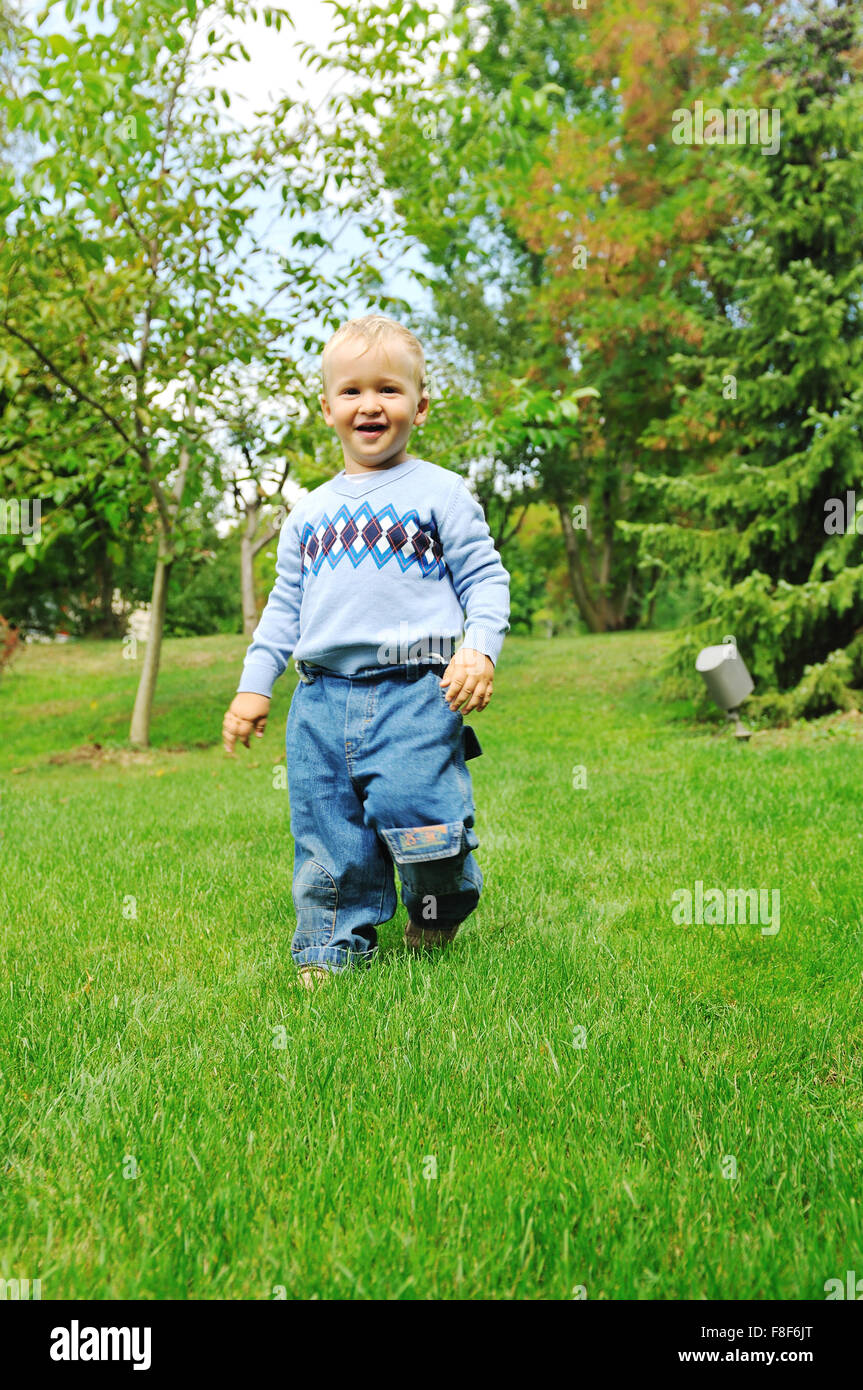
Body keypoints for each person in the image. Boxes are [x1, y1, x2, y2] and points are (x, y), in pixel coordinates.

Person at [221, 315, 510, 988]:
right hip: (320, 700)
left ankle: (439, 906)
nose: (370, 404)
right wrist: (254, 685)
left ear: (420, 404)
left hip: (416, 693)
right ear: (327, 408)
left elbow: (484, 579)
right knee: (328, 835)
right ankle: (329, 949)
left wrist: (479, 649)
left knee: (424, 823)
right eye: (351, 391)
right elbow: (283, 613)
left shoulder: (440, 492)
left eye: (388, 389)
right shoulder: (306, 515)